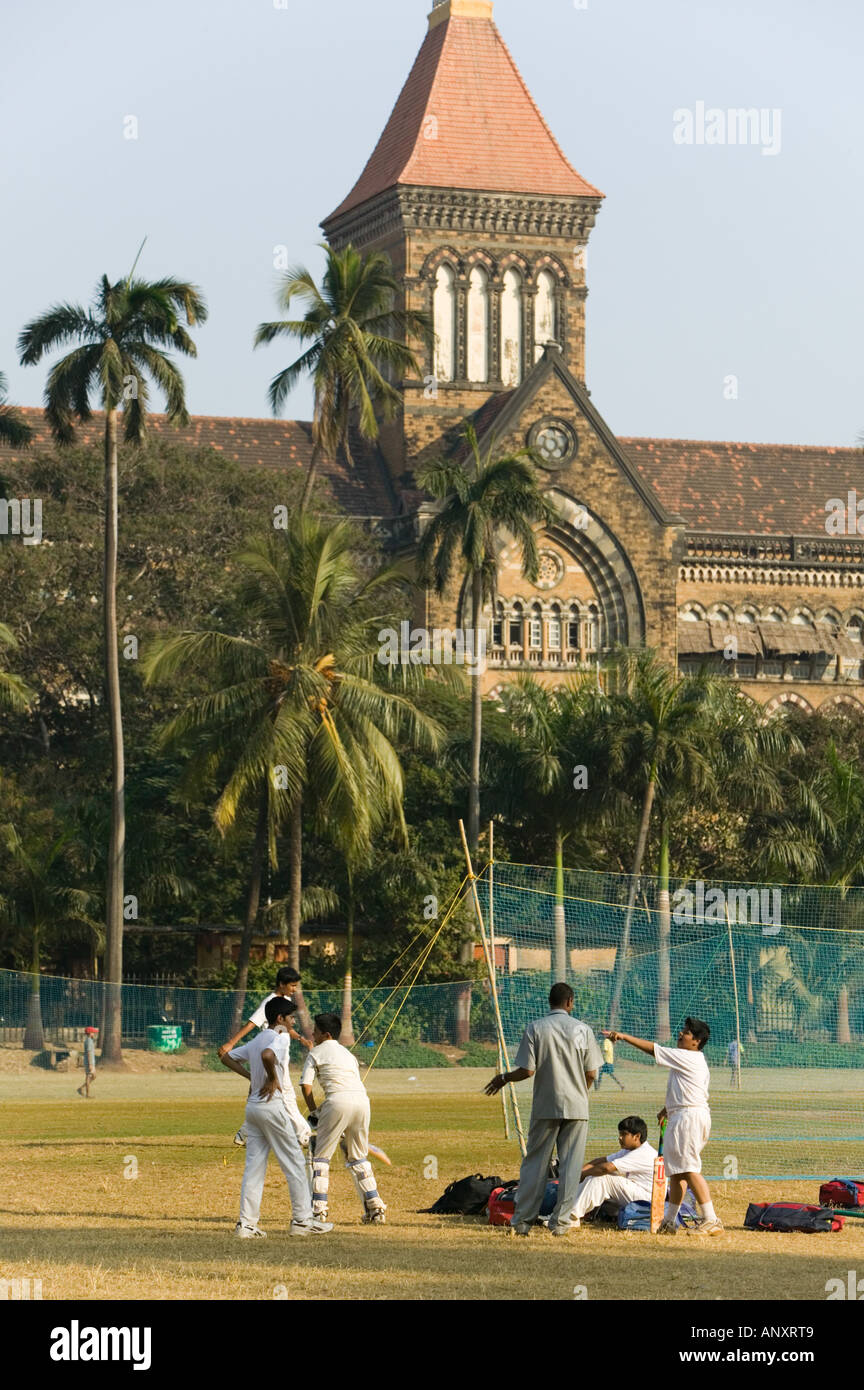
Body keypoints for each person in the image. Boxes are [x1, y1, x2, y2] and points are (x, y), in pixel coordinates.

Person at [485, 982, 602, 1236]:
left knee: (536, 1164)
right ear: (570, 1002)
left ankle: (522, 1221)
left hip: (545, 1105)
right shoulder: (583, 1029)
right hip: (577, 1107)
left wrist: (504, 1078)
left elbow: (527, 1070)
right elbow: (591, 1072)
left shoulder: (536, 1028)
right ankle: (560, 1223)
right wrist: (580, 1090)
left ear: (549, 1002)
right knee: (571, 1167)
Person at [221, 996, 331, 1238]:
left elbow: (225, 1056)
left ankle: (246, 1224)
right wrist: (271, 1078)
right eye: (291, 1018)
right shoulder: (279, 1037)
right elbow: (269, 1056)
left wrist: (251, 1077)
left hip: (253, 1110)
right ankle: (302, 1221)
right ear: (280, 1019)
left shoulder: (257, 1039)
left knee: (254, 1169)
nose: (293, 1022)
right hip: (272, 1107)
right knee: (294, 1164)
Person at [603, 1016, 722, 1236]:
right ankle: (668, 1221)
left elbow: (653, 1049)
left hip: (689, 1118)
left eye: (686, 1032)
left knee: (689, 1169)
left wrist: (623, 1036)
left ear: (696, 1041)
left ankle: (711, 1219)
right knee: (676, 1173)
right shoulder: (691, 1060)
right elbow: (687, 1089)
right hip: (683, 1115)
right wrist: (667, 1109)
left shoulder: (688, 1056)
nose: (681, 1033)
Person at [300, 1012, 386, 1225]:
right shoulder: (349, 1055)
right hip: (363, 1103)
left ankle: (318, 1211)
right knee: (358, 1157)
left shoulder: (316, 1052)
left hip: (337, 1102)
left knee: (319, 1158)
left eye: (316, 1031)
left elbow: (305, 1085)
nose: (312, 1034)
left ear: (326, 1034)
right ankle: (376, 1209)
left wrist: (313, 1112)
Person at [218, 967, 310, 1147]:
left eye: (296, 986)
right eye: (292, 985)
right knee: (286, 1096)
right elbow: (252, 1023)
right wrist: (231, 1043)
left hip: (281, 1055)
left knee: (266, 1097)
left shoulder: (286, 1000)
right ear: (282, 984)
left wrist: (300, 1038)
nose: (294, 989)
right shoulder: (271, 1002)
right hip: (271, 1054)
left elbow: (286, 1028)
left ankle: (245, 1133)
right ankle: (304, 1135)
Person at [567, 1116, 656, 1225]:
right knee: (594, 1175)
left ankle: (571, 1217)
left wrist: (582, 1174)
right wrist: (580, 1173)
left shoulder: (643, 1153)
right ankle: (566, 1212)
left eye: (624, 1134)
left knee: (604, 1178)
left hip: (646, 1201)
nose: (620, 1138)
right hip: (636, 1192)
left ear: (637, 1136)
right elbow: (601, 1160)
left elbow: (606, 1168)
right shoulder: (629, 1149)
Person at [77, 1026, 98, 1097]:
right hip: (90, 1062)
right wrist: (90, 1064)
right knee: (89, 1077)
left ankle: (81, 1088)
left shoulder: (90, 1040)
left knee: (94, 1076)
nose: (94, 1034)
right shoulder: (89, 1041)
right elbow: (89, 1052)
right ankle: (87, 1094)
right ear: (90, 1033)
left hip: (91, 1062)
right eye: (93, 1032)